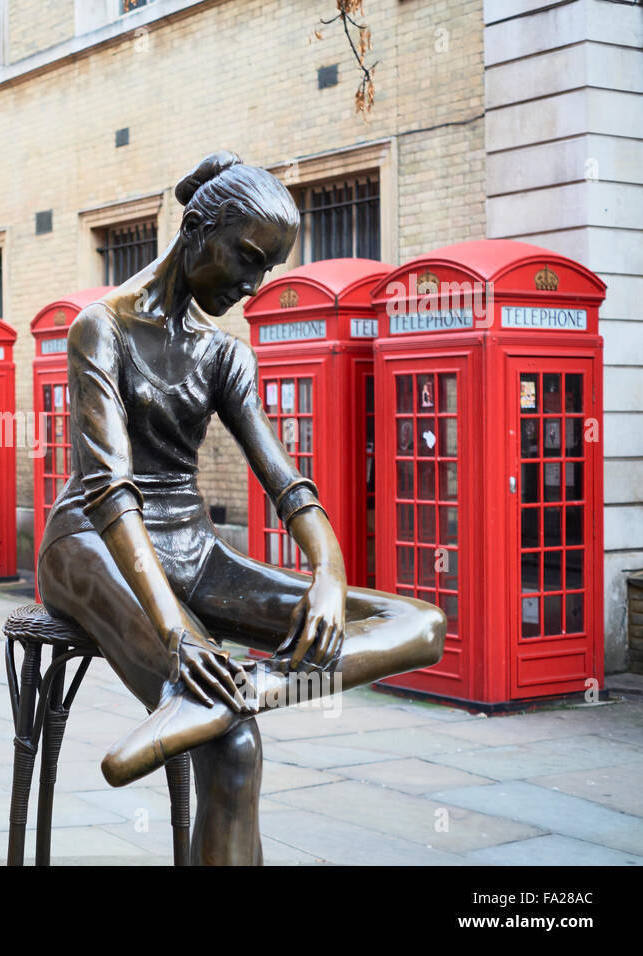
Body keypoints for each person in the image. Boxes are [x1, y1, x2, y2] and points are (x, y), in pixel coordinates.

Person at [36, 151, 446, 865]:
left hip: (192, 548)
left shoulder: (225, 354)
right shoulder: (99, 329)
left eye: (268, 271)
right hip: (96, 548)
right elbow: (109, 491)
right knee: (233, 749)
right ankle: (220, 705)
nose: (254, 287)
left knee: (419, 624)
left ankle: (244, 690)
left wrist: (329, 576)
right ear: (196, 230)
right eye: (247, 259)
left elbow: (289, 484)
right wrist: (180, 637)